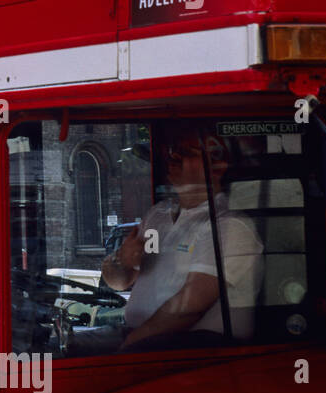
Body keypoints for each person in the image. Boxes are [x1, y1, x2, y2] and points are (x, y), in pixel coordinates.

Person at [102, 126, 263, 351]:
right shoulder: (157, 216)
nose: (173, 158)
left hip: (193, 352)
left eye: (186, 152)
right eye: (172, 151)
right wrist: (122, 261)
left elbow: (188, 309)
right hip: (140, 338)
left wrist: (129, 347)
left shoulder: (229, 226)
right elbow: (120, 281)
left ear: (217, 166)